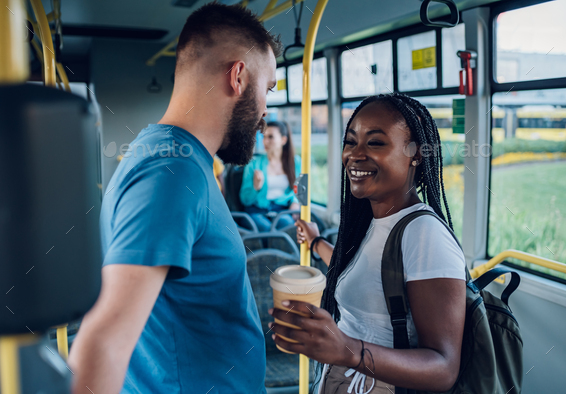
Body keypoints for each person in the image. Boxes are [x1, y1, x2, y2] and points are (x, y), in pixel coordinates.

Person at [69, 3, 282, 394]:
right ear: (238, 76)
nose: (265, 111)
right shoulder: (172, 171)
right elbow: (103, 342)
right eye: (266, 89)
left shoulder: (168, 155)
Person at [269, 93, 467, 393]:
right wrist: (315, 240)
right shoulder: (374, 220)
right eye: (350, 141)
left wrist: (347, 349)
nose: (355, 154)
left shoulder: (424, 234)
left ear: (416, 153)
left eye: (375, 143)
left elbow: (443, 369)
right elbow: (366, 273)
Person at [239, 121, 300, 232]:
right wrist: (256, 188)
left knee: (287, 225)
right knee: (265, 229)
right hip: (257, 210)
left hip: (282, 210)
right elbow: (245, 200)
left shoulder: (296, 163)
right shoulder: (253, 164)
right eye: (264, 137)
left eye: (271, 137)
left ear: (283, 140)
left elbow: (300, 192)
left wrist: (295, 202)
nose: (265, 141)